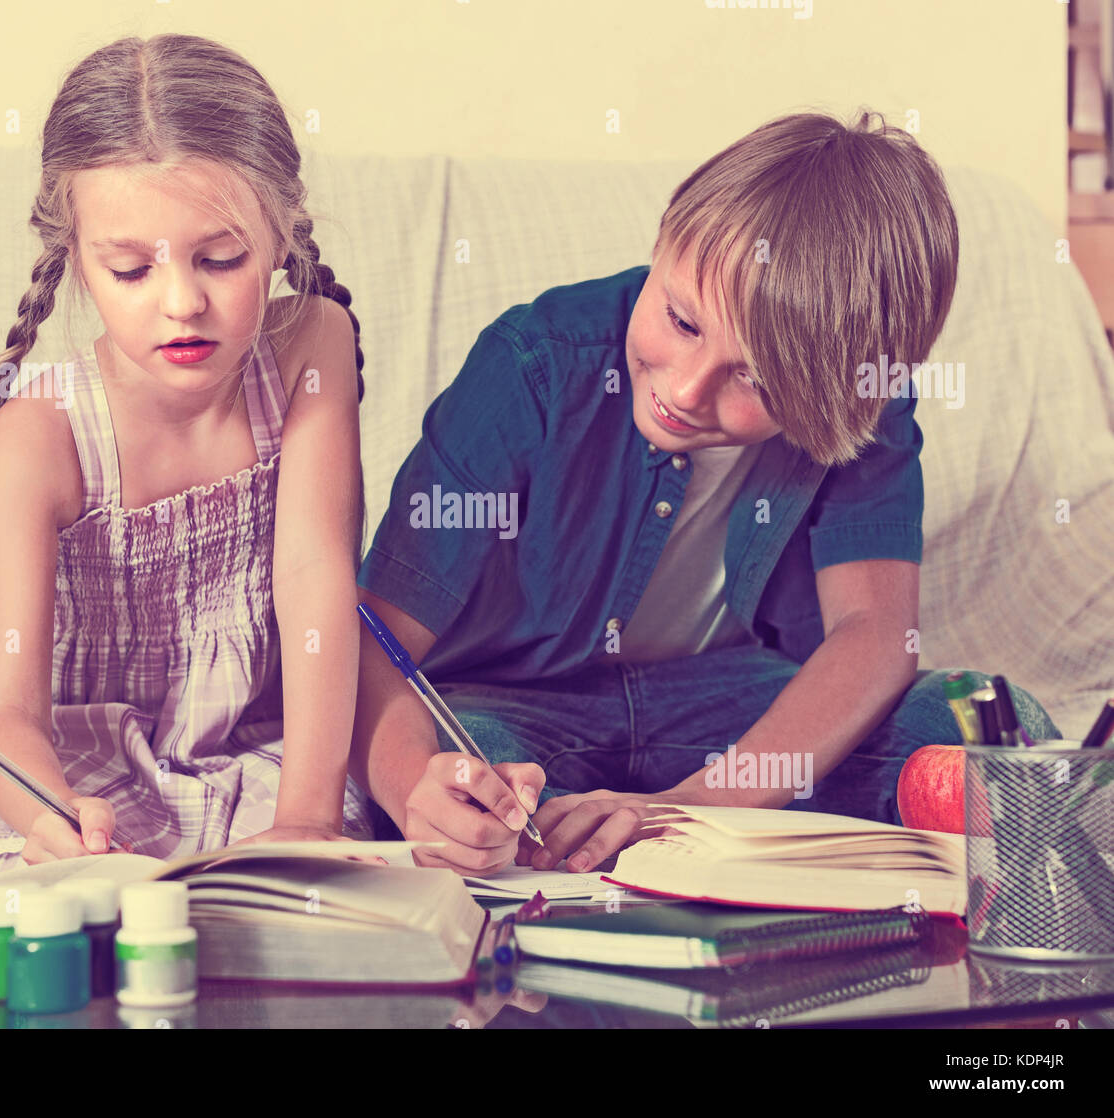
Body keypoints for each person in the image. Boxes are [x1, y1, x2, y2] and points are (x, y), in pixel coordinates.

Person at [350, 110, 1061, 878]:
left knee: (979, 719)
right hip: (516, 706)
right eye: (681, 320)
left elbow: (875, 633)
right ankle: (611, 853)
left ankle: (670, 848)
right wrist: (413, 792)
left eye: (754, 377)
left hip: (730, 711)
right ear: (663, 243)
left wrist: (695, 807)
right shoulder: (534, 363)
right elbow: (373, 643)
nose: (685, 390)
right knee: (476, 783)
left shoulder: (864, 397)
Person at [0, 34, 368, 882]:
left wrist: (307, 817)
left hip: (274, 766)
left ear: (279, 234)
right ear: (78, 262)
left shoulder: (315, 345)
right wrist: (55, 818)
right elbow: (4, 715)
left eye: (222, 258)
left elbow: (316, 577)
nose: (182, 302)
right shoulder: (40, 435)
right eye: (130, 269)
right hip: (81, 781)